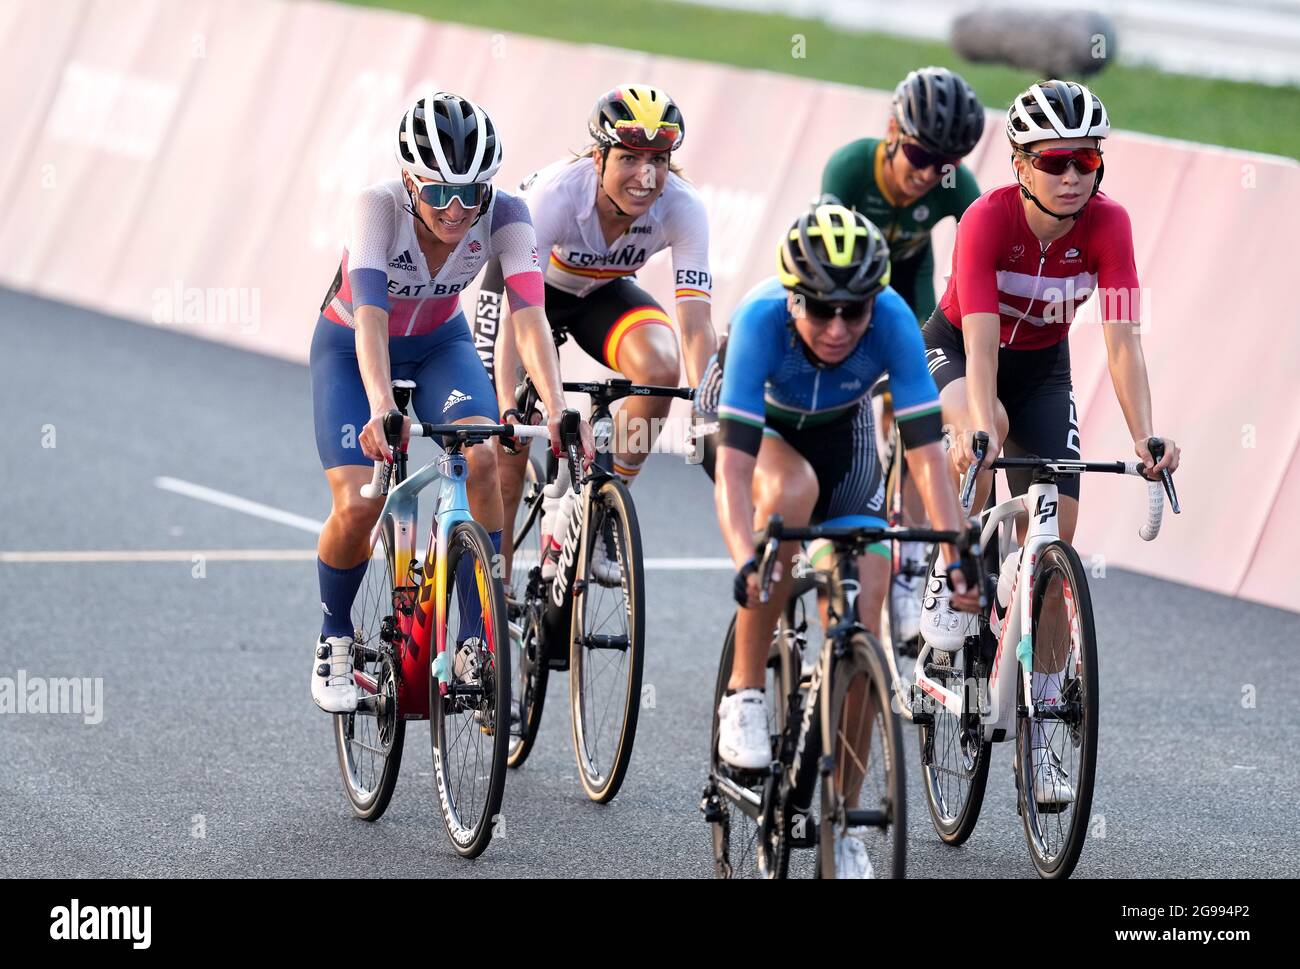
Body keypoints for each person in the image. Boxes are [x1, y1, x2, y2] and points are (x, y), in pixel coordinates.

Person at [694, 201, 978, 877]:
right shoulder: (761, 321)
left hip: (839, 435)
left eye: (856, 311)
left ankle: (842, 820)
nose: (840, 327)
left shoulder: (894, 322)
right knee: (787, 499)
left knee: (865, 606)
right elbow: (733, 474)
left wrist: (956, 553)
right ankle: (745, 692)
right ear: (794, 298)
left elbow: (928, 457)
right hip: (751, 430)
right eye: (822, 310)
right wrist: (746, 558)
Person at [919, 79, 1181, 802]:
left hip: (1042, 369)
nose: (1072, 176)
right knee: (988, 428)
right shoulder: (984, 220)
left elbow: (1123, 343)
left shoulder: (1111, 225)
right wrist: (978, 427)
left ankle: (1043, 723)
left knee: (1056, 539)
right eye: (1055, 160)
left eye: (1088, 161)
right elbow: (978, 343)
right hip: (959, 351)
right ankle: (950, 567)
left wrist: (1146, 436)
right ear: (1018, 163)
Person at [309, 92, 589, 713]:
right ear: (410, 184)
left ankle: (473, 639)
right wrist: (383, 404)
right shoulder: (375, 210)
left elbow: (530, 318)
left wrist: (556, 404)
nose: (457, 209)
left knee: (484, 459)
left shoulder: (509, 214)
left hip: (440, 344)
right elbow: (370, 321)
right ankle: (334, 634)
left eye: (472, 193)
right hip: (352, 349)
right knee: (360, 502)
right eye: (439, 194)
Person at [472, 84, 716, 585]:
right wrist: (512, 406)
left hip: (602, 294)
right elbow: (523, 315)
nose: (646, 177)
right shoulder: (555, 196)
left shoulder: (684, 206)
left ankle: (599, 507)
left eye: (659, 160)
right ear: (599, 156)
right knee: (511, 436)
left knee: (661, 369)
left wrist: (706, 407)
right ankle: (492, 581)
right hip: (523, 295)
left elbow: (695, 325)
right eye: (629, 158)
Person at [822, 66, 986, 644]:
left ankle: (914, 565)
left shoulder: (951, 182)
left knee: (921, 415)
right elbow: (826, 269)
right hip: (845, 296)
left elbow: (983, 255)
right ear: (893, 130)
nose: (927, 173)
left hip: (910, 292)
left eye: (943, 164)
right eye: (918, 153)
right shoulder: (850, 167)